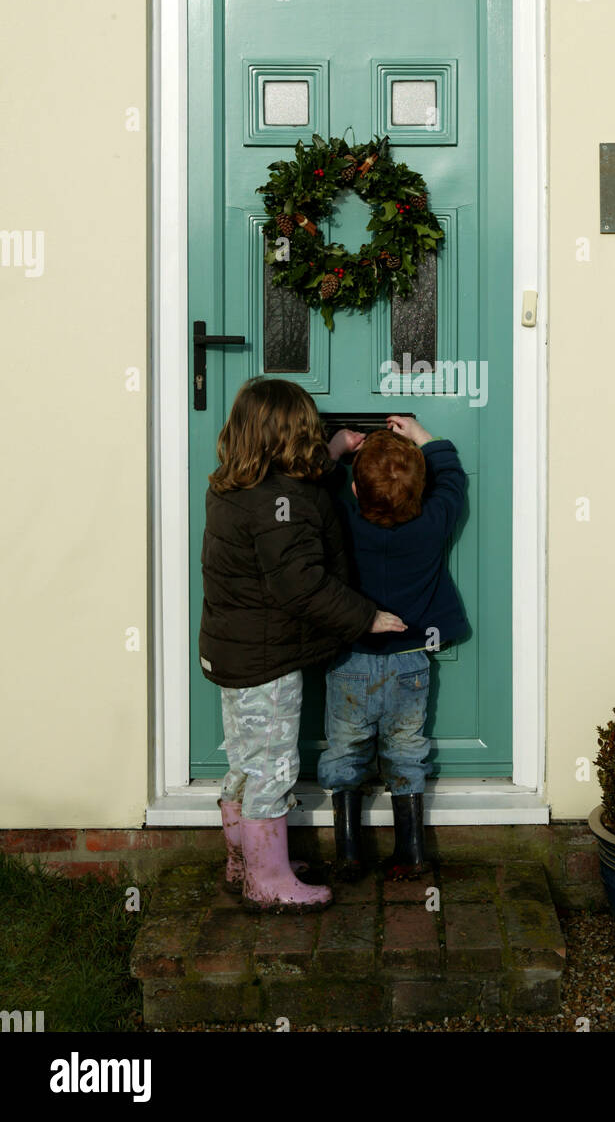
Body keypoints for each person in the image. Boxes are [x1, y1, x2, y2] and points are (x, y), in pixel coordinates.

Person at [198, 377, 406, 913]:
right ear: (288, 439)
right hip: (266, 662)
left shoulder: (237, 487)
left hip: (236, 653)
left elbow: (299, 493)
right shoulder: (277, 502)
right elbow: (302, 586)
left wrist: (337, 452)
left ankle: (243, 861)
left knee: (245, 763)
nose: (317, 439)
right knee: (271, 768)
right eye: (311, 433)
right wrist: (367, 617)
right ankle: (268, 881)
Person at [319, 415, 469, 880]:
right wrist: (423, 436)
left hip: (351, 660)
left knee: (344, 751)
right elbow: (454, 479)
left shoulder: (340, 518)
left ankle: (347, 851)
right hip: (410, 664)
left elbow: (313, 487)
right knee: (407, 750)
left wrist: (336, 448)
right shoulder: (432, 522)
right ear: (420, 492)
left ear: (357, 492)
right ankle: (412, 851)